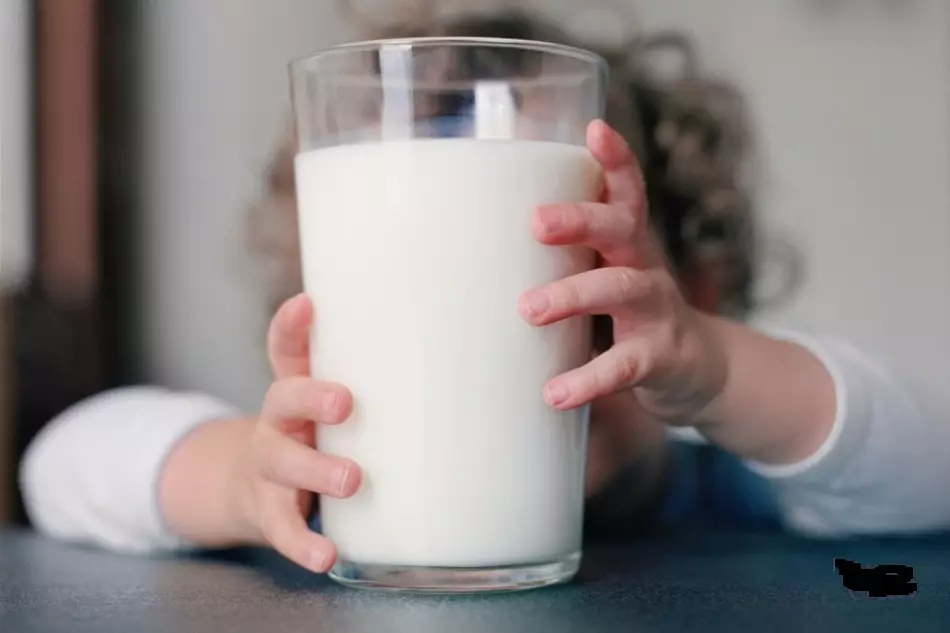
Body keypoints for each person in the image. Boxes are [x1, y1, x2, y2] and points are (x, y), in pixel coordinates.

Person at [18, 7, 950, 572]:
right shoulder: (323, 484)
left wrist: (715, 373)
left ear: (687, 289)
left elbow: (932, 467)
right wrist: (233, 478)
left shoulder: (736, 483)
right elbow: (60, 460)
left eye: (581, 312)